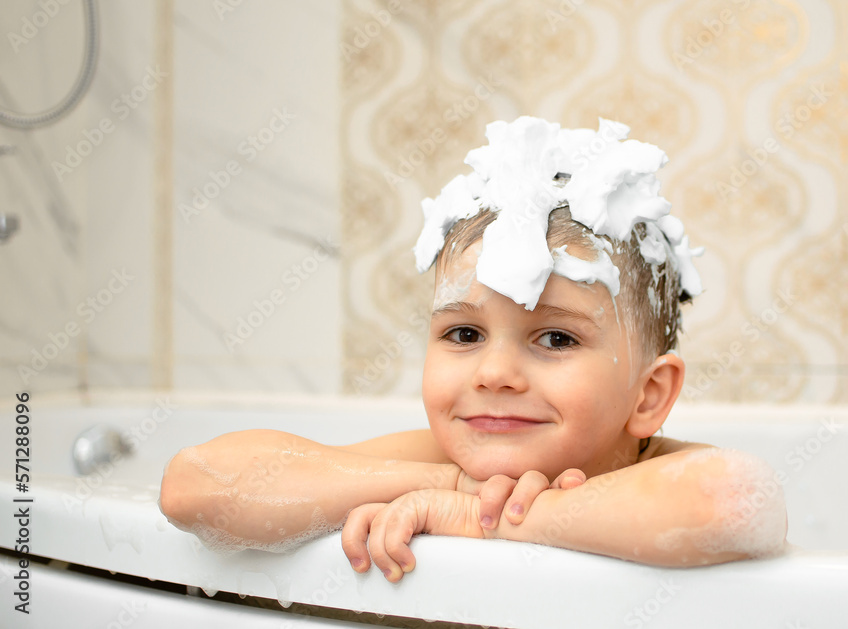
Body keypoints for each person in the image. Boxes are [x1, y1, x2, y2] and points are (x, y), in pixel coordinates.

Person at [159, 116, 787, 583]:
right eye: (464, 334)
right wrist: (449, 483)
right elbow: (197, 486)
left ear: (648, 396)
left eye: (556, 338)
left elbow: (733, 502)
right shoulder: (446, 459)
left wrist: (470, 517)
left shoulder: (658, 472)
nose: (494, 373)